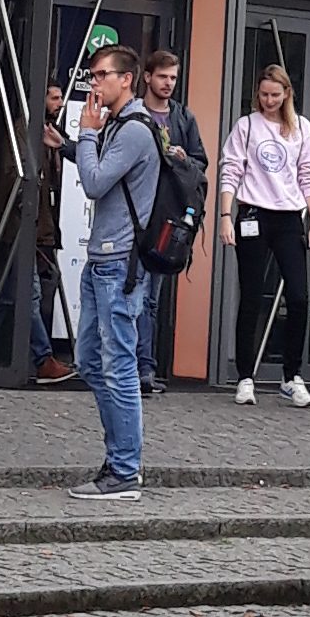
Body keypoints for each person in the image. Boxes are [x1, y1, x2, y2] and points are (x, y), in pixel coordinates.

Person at [55, 39, 158, 501]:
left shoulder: (134, 128)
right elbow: (100, 169)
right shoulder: (117, 125)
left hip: (120, 263)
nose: (94, 84)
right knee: (89, 361)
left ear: (125, 80)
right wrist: (69, 145)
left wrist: (88, 133)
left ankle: (124, 469)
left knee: (117, 365)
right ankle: (119, 455)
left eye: (101, 75)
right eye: (92, 76)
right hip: (102, 260)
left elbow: (96, 183)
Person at [220, 59, 310, 406]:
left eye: (275, 95)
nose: (269, 101)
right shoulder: (247, 126)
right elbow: (231, 169)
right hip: (252, 214)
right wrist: (224, 214)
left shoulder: (301, 128)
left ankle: (292, 375)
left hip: (289, 217)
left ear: (287, 93)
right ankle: (246, 376)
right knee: (251, 295)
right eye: (264, 95)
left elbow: (309, 173)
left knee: (298, 296)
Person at [129, 46, 205, 399]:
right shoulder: (133, 114)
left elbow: (201, 165)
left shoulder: (183, 118)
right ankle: (132, 367)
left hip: (167, 218)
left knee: (151, 299)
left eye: (173, 78)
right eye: (163, 77)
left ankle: (144, 368)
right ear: (147, 76)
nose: (169, 84)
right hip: (134, 217)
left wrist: (183, 159)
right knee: (131, 294)